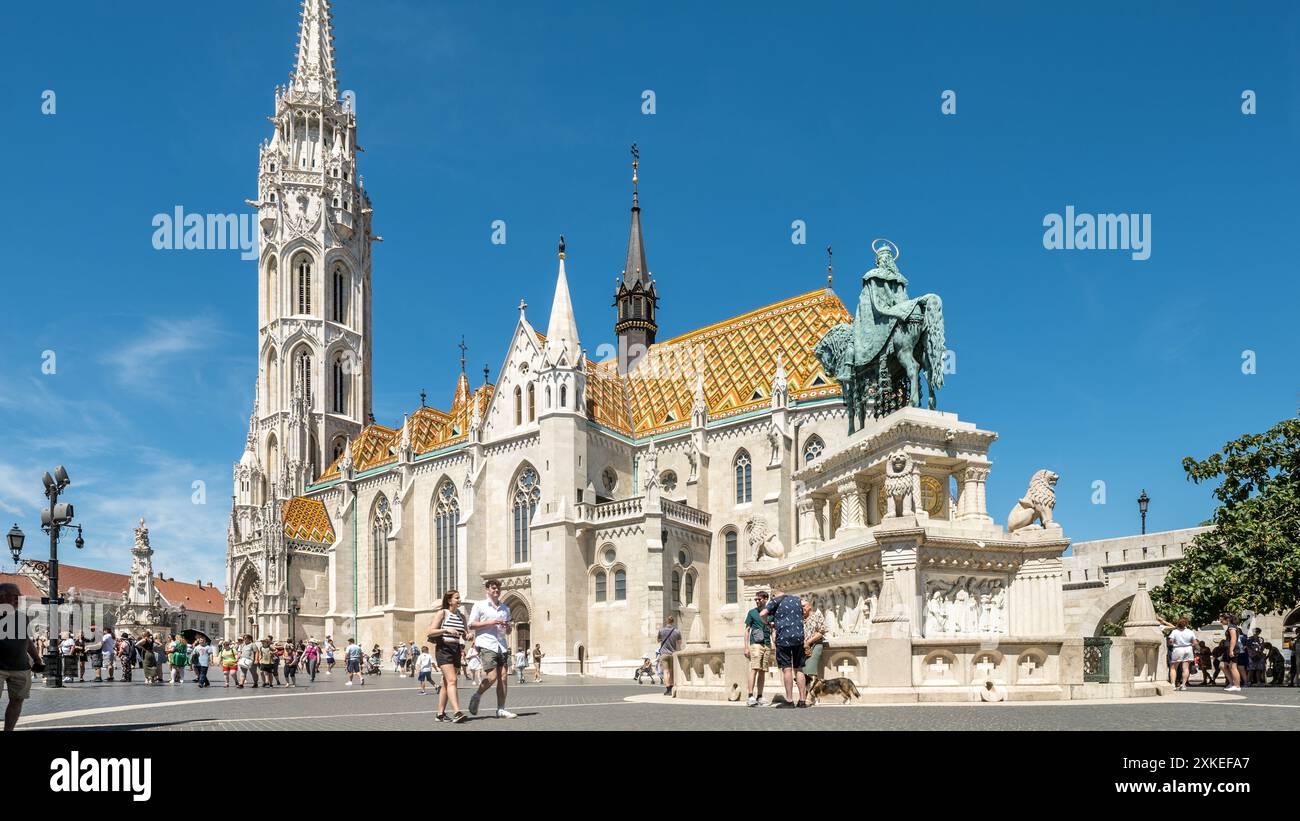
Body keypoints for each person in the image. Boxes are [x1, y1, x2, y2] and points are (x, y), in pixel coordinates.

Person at [466, 579, 517, 719]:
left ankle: (501, 709)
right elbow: (471, 625)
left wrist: (507, 627)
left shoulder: (505, 608)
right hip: (487, 644)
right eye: (493, 588)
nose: (496, 590)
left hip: (502, 645)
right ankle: (477, 695)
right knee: (492, 676)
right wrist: (491, 622)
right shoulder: (480, 605)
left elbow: (508, 632)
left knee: (504, 677)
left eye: (498, 588)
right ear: (487, 589)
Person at [1, 583, 44, 731]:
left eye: (18, 596)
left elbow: (27, 640)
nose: (16, 599)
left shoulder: (22, 617)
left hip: (20, 666)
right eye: (12, 596)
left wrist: (37, 659)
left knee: (17, 700)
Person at [760, 589, 808, 708]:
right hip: (799, 637)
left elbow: (762, 614)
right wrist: (801, 619)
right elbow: (807, 605)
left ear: (774, 595)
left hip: (784, 638)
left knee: (787, 669)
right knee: (799, 668)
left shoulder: (774, 601)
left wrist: (766, 623)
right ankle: (802, 700)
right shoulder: (796, 599)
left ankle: (790, 700)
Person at [427, 589, 468, 722]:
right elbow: (431, 631)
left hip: (455, 649)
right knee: (452, 680)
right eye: (457, 598)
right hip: (443, 649)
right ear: (450, 601)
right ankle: (457, 712)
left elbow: (465, 634)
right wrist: (445, 629)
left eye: (459, 597)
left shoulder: (462, 616)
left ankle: (440, 714)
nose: (459, 600)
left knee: (446, 683)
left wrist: (469, 635)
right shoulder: (442, 613)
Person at [742, 590, 774, 707]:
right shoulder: (752, 613)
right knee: (754, 669)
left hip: (766, 644)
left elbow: (772, 630)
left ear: (766, 599)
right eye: (756, 599)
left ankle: (759, 696)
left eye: (759, 599)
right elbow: (747, 630)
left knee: (762, 671)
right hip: (755, 644)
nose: (757, 601)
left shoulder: (769, 613)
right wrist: (746, 647)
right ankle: (750, 696)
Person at [801, 597, 828, 694]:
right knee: (802, 671)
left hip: (815, 644)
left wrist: (809, 642)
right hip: (803, 647)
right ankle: (804, 694)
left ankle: (812, 695)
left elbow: (821, 631)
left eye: (803, 606)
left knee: (811, 669)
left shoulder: (817, 615)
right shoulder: (800, 618)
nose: (802, 608)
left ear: (810, 606)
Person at [1167, 617, 1197, 691]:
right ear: (1187, 623)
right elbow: (1195, 642)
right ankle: (1183, 685)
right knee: (1185, 668)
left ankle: (1173, 684)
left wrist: (1173, 643)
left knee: (1173, 667)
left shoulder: (1175, 631)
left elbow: (1171, 641)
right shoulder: (1190, 631)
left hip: (1178, 649)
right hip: (1188, 649)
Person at [656, 616, 682, 697]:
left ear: (666, 621)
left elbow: (658, 640)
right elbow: (679, 642)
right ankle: (672, 687)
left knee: (666, 672)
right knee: (671, 672)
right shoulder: (677, 631)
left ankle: (668, 689)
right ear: (673, 622)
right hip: (672, 654)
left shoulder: (661, 630)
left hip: (664, 654)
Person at [1220, 614, 1244, 693]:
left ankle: (1237, 685)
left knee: (1233, 667)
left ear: (1227, 619)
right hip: (1228, 648)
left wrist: (1231, 650)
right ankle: (1232, 683)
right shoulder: (1230, 627)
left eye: (1222, 620)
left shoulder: (1232, 627)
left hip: (1233, 648)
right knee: (1222, 665)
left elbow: (1233, 639)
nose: (1221, 622)